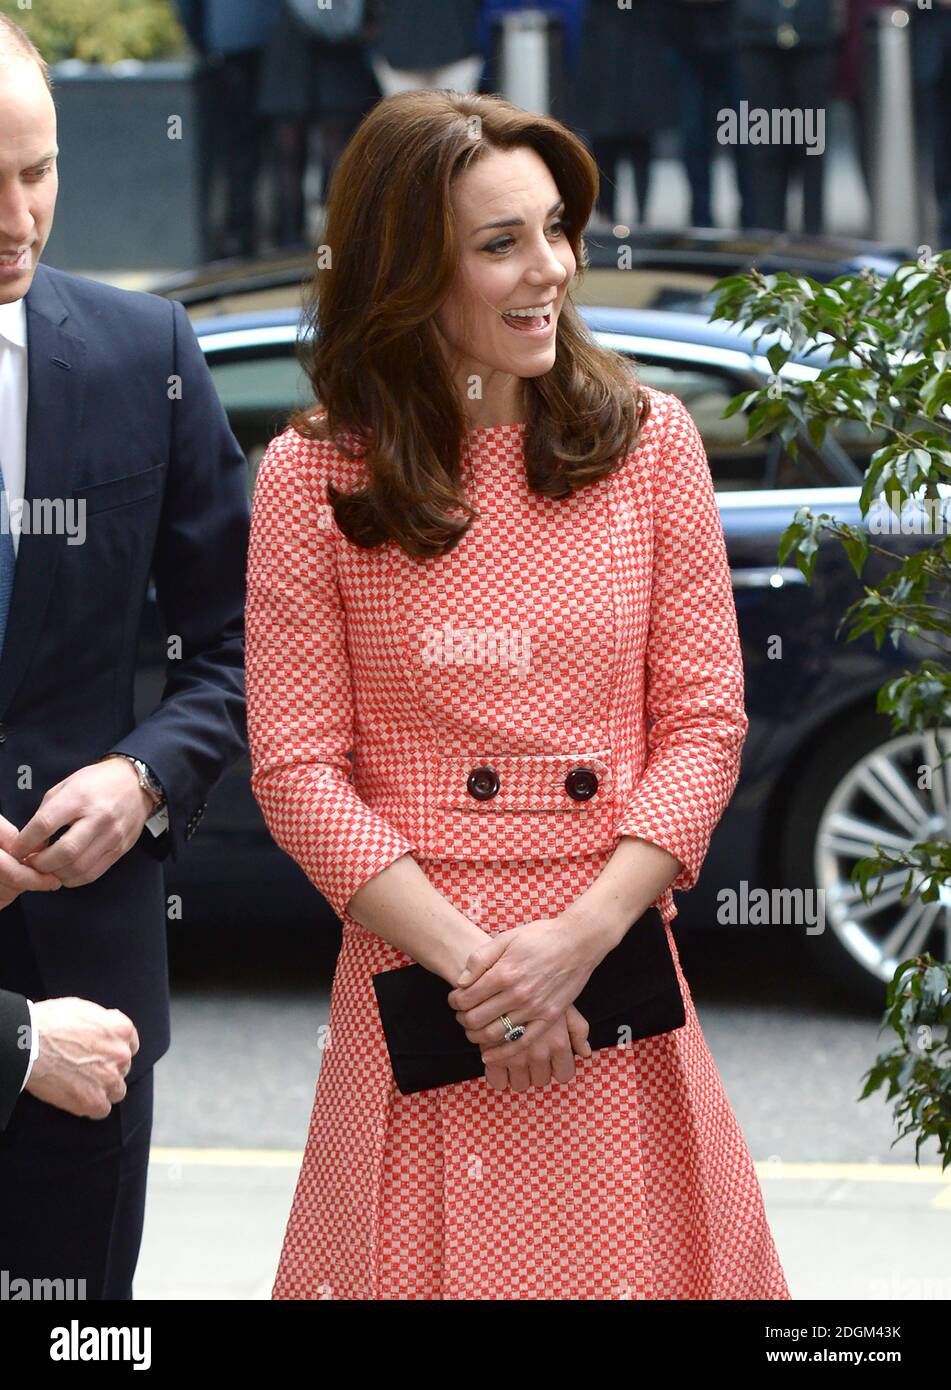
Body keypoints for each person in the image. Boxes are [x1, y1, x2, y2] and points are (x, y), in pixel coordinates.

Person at [244, 87, 790, 1300]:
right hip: (418, 970)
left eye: (557, 229)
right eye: (500, 244)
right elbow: (294, 769)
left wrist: (576, 946)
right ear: (405, 269)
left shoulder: (650, 442)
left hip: (609, 963)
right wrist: (486, 977)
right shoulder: (312, 475)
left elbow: (704, 721)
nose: (549, 270)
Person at [0, 18, 250, 1299]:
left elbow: (241, 642)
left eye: (37, 171)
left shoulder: (145, 352)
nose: (17, 214)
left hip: (87, 984)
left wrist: (145, 777)